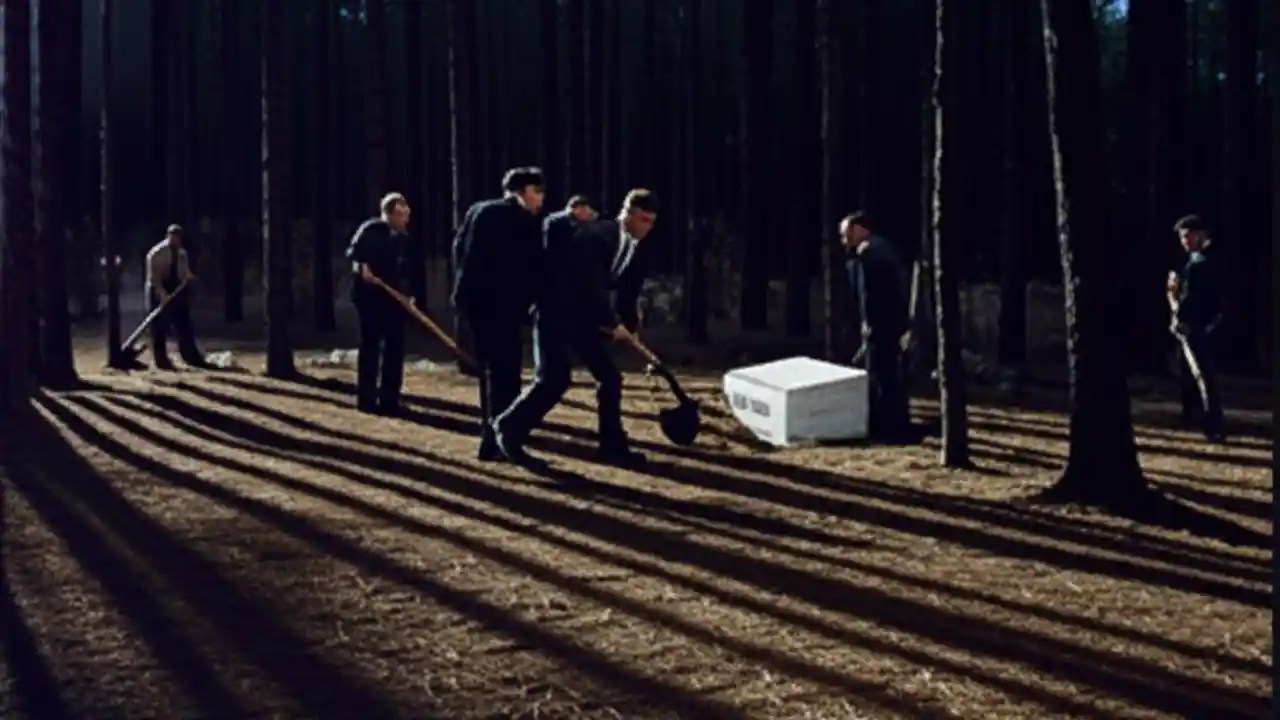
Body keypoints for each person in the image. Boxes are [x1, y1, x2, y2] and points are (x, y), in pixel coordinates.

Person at [493, 188, 658, 468]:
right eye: (642, 219)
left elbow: (625, 290)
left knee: (610, 377)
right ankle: (508, 429)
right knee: (553, 380)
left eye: (651, 222)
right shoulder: (598, 235)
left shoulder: (631, 244)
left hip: (585, 320)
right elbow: (589, 284)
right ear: (626, 212)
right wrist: (612, 322)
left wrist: (629, 324)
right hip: (556, 313)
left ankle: (612, 446)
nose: (647, 227)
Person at [451, 167, 547, 460]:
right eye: (537, 191)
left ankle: (492, 438)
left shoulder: (478, 210)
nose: (541, 198)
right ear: (522, 192)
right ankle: (500, 439)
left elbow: (459, 248)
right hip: (499, 305)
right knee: (505, 374)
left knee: (493, 373)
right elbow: (527, 265)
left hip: (479, 304)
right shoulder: (514, 219)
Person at [840, 211, 915, 443]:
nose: (845, 240)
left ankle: (887, 427)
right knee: (891, 375)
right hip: (891, 325)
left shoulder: (869, 253)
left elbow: (869, 294)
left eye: (847, 233)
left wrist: (868, 323)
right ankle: (896, 423)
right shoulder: (885, 249)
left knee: (880, 376)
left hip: (879, 326)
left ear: (860, 229)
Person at [345, 192, 413, 416]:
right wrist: (363, 268)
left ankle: (390, 400)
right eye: (401, 214)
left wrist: (407, 296)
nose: (405, 218)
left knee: (395, 350)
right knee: (370, 347)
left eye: (407, 214)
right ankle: (366, 399)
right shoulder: (372, 229)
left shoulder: (402, 238)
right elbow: (356, 256)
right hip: (370, 300)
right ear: (390, 213)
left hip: (395, 301)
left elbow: (404, 273)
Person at [1167, 214, 1225, 443]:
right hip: (1207, 323)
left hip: (1195, 325)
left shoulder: (1199, 264)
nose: (1184, 241)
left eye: (1187, 235)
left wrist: (1173, 298)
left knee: (1203, 375)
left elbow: (1189, 300)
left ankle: (1213, 424)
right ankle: (1197, 416)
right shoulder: (1206, 259)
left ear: (1201, 234)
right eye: (1182, 237)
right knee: (1196, 374)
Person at [143, 224, 210, 369]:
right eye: (172, 236)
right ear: (168, 236)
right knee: (159, 326)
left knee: (184, 323)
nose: (175, 240)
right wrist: (162, 294)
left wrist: (190, 278)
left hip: (175, 288)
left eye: (178, 237)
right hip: (156, 288)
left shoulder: (182, 254)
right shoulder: (156, 253)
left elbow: (183, 273)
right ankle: (161, 361)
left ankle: (190, 356)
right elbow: (154, 278)